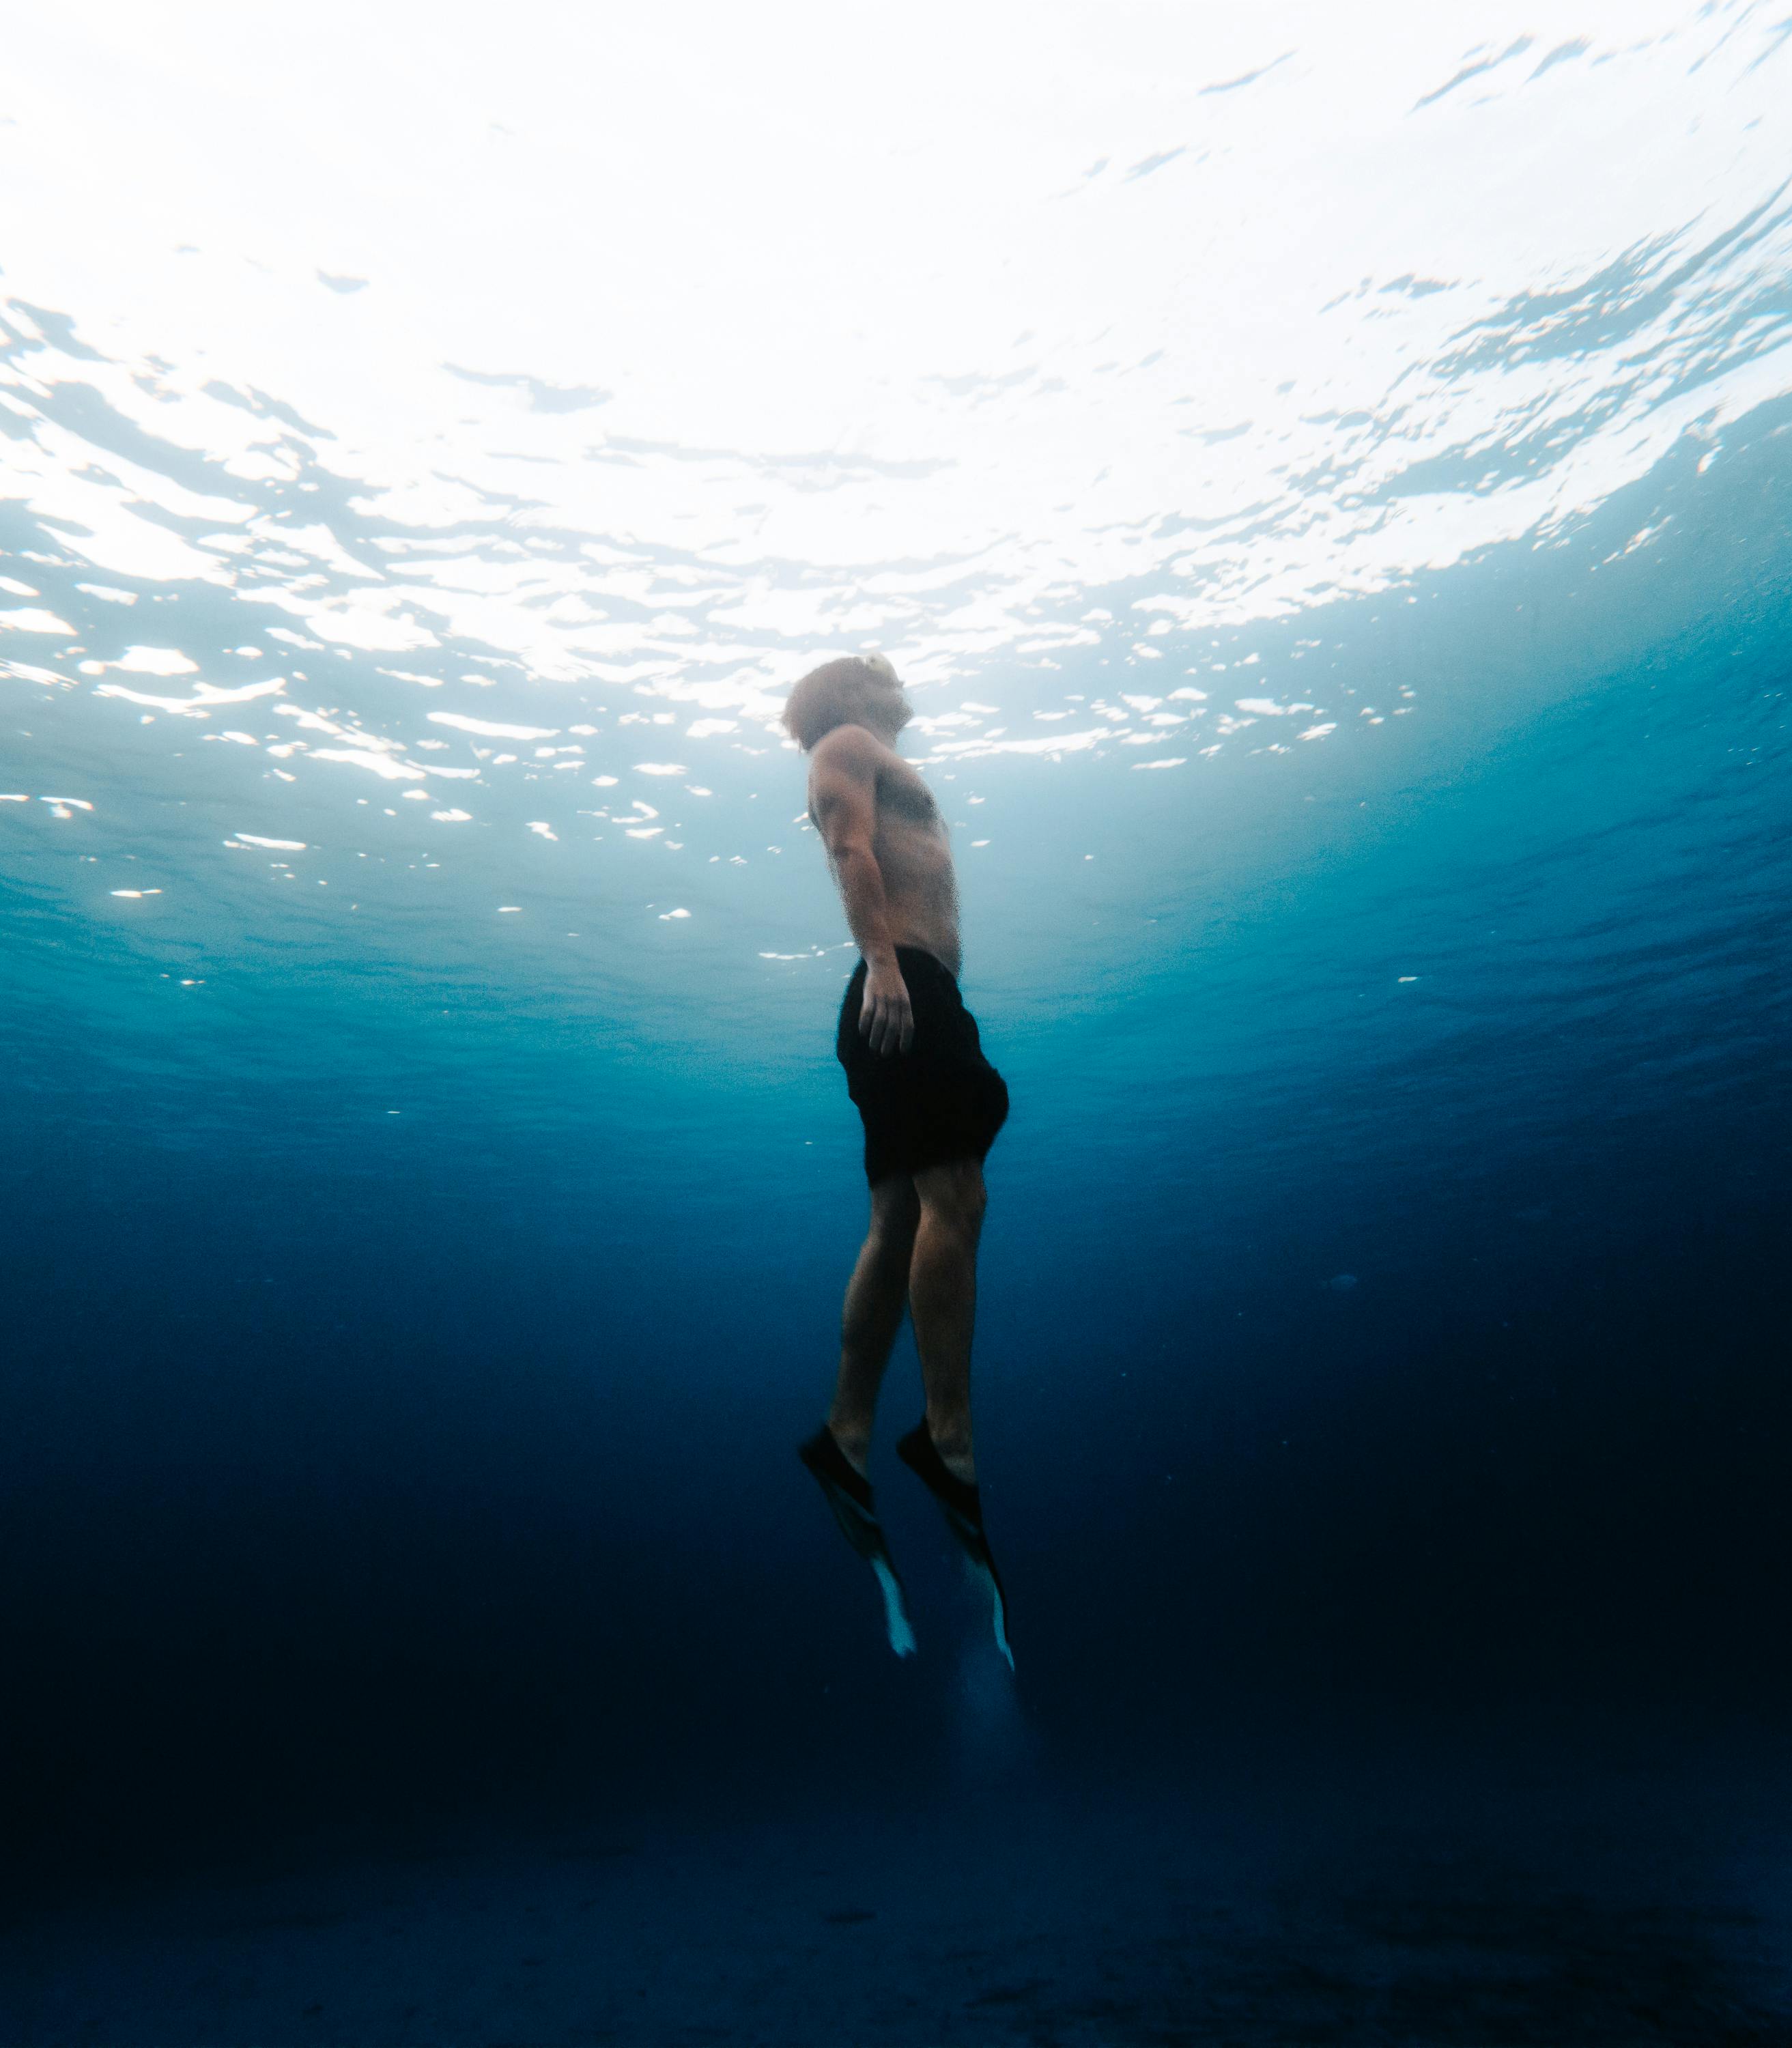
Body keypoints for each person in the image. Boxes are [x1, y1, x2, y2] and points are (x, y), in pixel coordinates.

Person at [785, 653, 1012, 1665]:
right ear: (848, 691)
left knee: (900, 1216)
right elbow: (849, 850)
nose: (895, 672)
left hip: (910, 986)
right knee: (952, 1199)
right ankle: (947, 1433)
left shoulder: (867, 749)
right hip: (901, 981)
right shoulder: (845, 745)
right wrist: (883, 963)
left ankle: (845, 1436)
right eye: (876, 666)